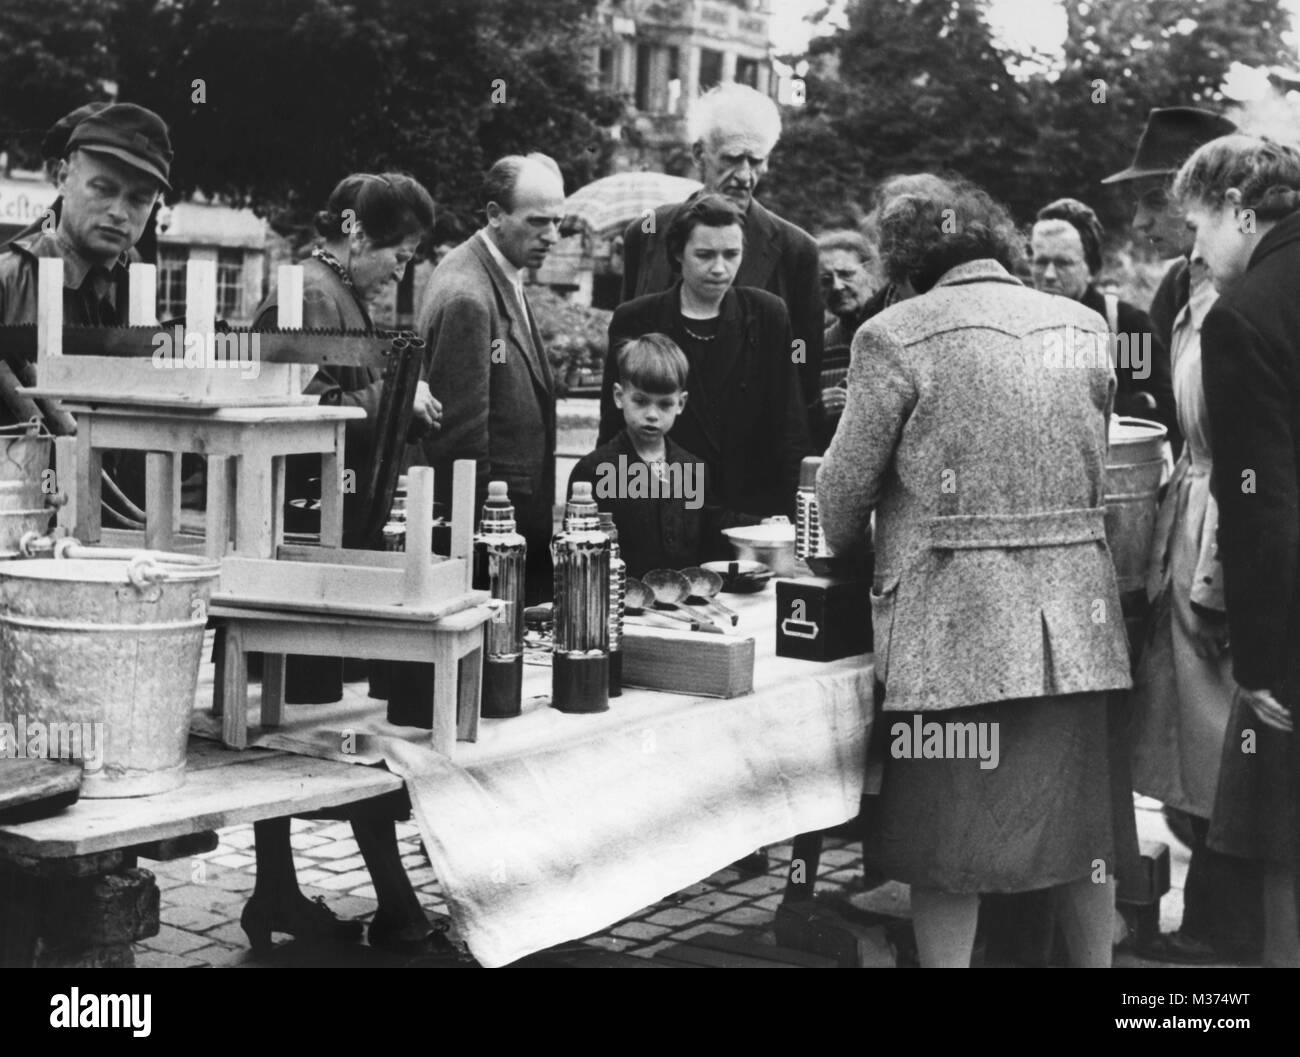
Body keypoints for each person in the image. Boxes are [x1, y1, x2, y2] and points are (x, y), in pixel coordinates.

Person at [818, 177, 1133, 968]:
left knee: (946, 845)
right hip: (1077, 626)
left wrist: (850, 548)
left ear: (903, 264)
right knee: (1083, 833)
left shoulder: (894, 334)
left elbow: (842, 492)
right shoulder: (1084, 324)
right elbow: (1094, 457)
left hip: (952, 629)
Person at [240, 172, 449, 958]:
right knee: (317, 726)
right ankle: (384, 902)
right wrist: (396, 399)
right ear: (356, 229)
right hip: (297, 544)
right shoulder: (305, 293)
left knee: (306, 723)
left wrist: (398, 391)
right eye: (397, 253)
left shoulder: (332, 293)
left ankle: (279, 891)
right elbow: (289, 409)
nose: (402, 270)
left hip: (324, 539)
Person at [1102, 107, 1262, 964]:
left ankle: (1222, 929)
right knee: (1178, 743)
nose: (1156, 217)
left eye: (1165, 199)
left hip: (1222, 535)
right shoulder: (1179, 283)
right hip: (1184, 514)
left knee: (1223, 741)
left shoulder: (1251, 290)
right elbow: (1158, 409)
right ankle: (1203, 915)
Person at [1175, 133, 1300, 967]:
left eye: (1196, 226)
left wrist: (1261, 664)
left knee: (1287, 847)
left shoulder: (1246, 318)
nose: (1194, 248)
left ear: (1236, 209)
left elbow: (1263, 510)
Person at [599, 193, 810, 533]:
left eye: (731, 255)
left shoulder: (768, 314)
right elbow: (614, 427)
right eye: (705, 255)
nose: (719, 268)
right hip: (667, 507)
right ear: (678, 254)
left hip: (752, 510)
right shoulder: (636, 318)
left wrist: (793, 516)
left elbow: (790, 423)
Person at [619, 83, 823, 429]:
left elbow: (802, 373)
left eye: (755, 161)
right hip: (656, 449)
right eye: (731, 159)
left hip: (747, 456)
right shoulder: (647, 234)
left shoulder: (796, 250)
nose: (745, 176)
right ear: (699, 155)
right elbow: (622, 354)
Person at [419, 153, 562, 604]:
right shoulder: (469, 295)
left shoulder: (497, 273)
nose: (552, 237)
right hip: (492, 542)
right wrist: (484, 554)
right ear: (495, 216)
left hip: (511, 530)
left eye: (558, 222)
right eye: (538, 221)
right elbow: (459, 443)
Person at [0, 103, 170, 437]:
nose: (119, 212)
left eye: (138, 198)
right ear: (62, 177)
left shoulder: (136, 285)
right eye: (103, 189)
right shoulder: (9, 281)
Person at [1030, 198, 1179, 450]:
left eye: (1063, 263)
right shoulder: (1022, 326)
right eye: (1041, 262)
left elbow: (1164, 414)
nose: (1049, 275)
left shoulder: (1123, 328)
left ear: (1092, 268)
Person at [569, 334, 714, 578]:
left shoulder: (693, 469)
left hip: (684, 608)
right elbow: (577, 558)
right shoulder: (593, 471)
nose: (652, 415)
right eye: (640, 401)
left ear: (681, 403)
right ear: (619, 396)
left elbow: (706, 536)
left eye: (665, 404)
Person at [816, 230, 878, 451]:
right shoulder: (819, 347)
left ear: (870, 273)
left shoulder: (900, 332)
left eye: (846, 274)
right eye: (825, 279)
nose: (837, 286)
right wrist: (819, 410)